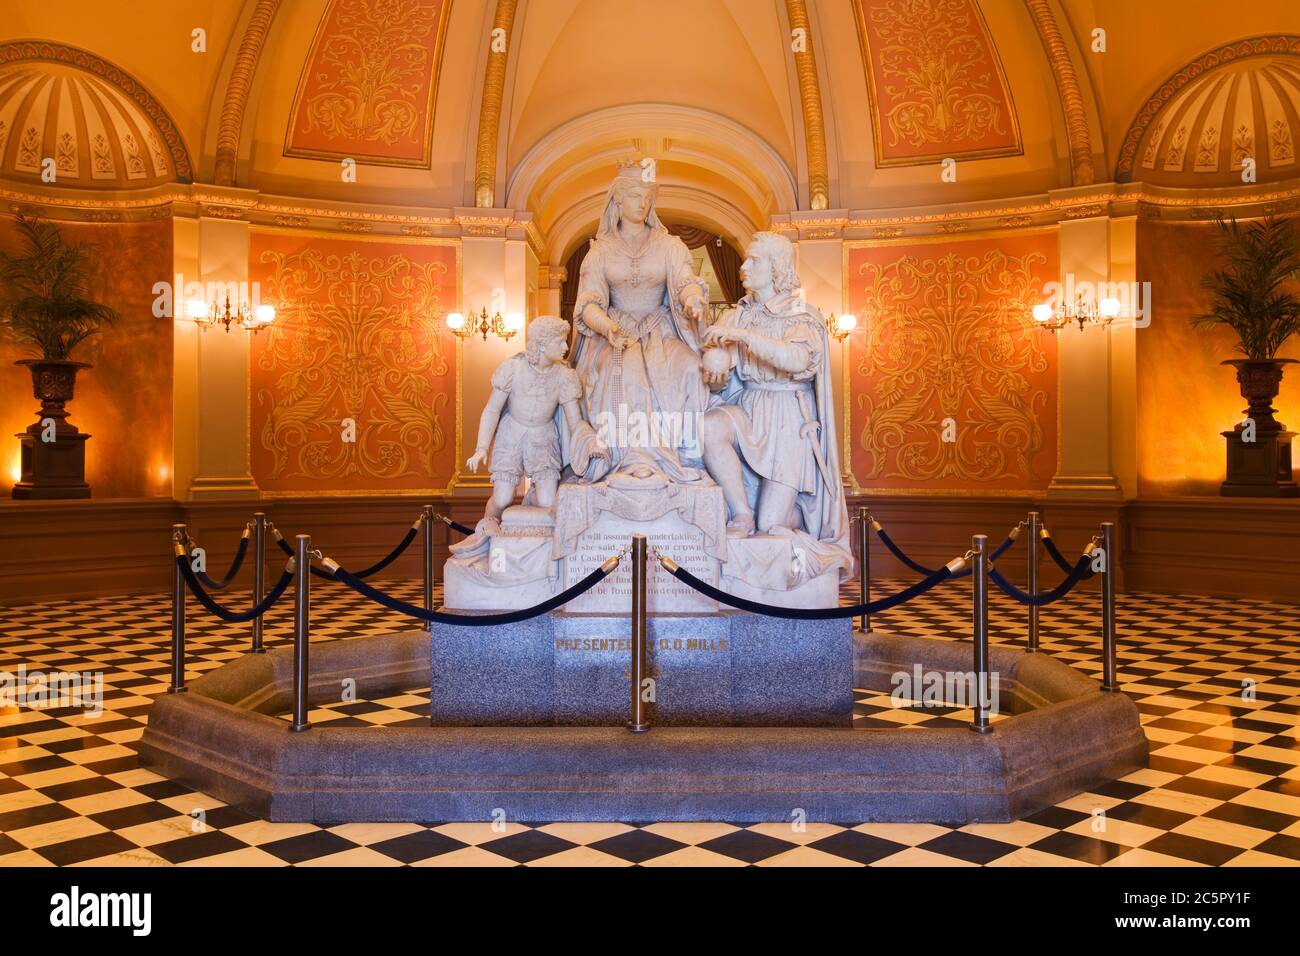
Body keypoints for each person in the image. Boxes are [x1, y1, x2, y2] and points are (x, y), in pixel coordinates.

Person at [699, 231, 852, 578]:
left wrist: (743, 337)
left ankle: (805, 515)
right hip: (748, 405)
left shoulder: (800, 314)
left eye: (754, 260)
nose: (743, 266)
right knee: (708, 427)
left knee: (771, 528)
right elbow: (718, 370)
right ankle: (741, 513)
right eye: (746, 258)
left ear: (776, 267)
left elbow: (797, 360)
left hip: (787, 418)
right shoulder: (737, 315)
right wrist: (716, 371)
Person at [571, 160, 712, 482]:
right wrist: (607, 327)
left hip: (660, 331)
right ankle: (633, 457)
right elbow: (589, 303)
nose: (643, 202)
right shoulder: (600, 252)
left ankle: (688, 454)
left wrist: (692, 297)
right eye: (635, 195)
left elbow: (684, 279)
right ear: (617, 201)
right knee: (625, 369)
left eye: (648, 197)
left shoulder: (669, 246)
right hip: (615, 333)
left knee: (692, 368)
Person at [466, 315, 607, 520]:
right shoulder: (512, 368)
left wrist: (590, 442)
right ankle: (486, 531)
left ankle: (526, 523)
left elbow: (574, 422)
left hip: (543, 437)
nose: (565, 347)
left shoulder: (564, 376)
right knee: (502, 499)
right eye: (559, 341)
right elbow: (492, 409)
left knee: (547, 502)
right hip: (511, 434)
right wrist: (481, 448)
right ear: (542, 345)